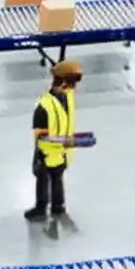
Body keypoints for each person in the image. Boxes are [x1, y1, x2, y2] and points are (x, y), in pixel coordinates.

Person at [25, 60, 84, 221]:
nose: (76, 85)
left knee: (57, 179)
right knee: (43, 180)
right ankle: (41, 207)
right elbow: (41, 136)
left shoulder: (68, 96)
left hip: (63, 151)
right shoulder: (44, 107)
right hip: (46, 152)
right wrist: (68, 140)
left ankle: (58, 207)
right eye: (74, 80)